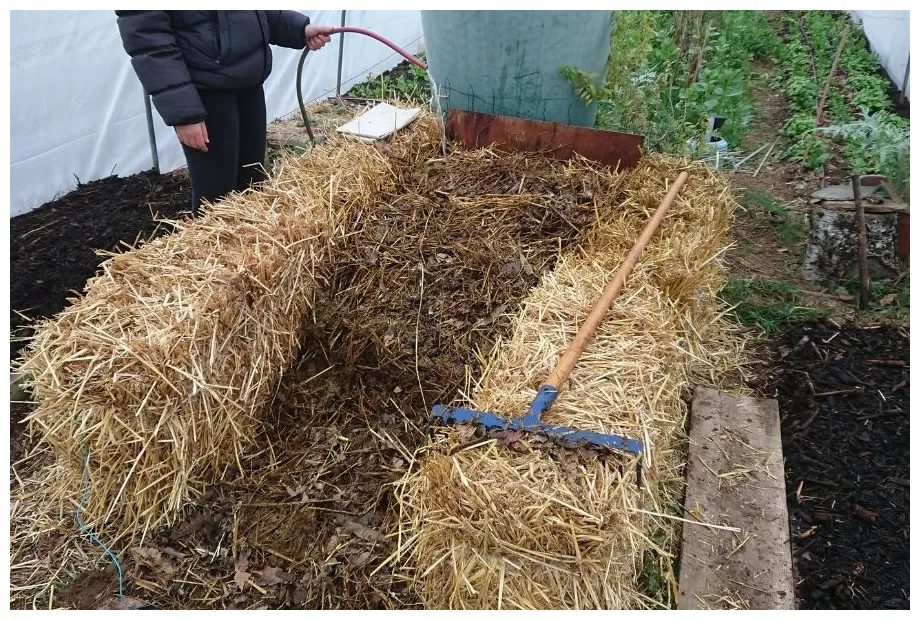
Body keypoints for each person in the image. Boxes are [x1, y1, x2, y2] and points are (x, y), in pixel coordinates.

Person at [116, 11, 333, 215]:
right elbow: (150, 41)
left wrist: (297, 29)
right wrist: (185, 114)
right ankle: (208, 254)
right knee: (217, 200)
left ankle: (252, 253)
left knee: (252, 183)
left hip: (248, 84)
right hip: (206, 94)